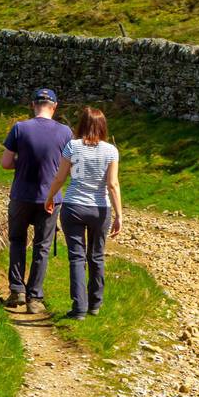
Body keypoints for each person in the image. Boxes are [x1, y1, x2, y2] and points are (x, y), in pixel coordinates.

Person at [45, 106, 122, 319]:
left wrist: (50, 197)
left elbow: (60, 178)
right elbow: (113, 184)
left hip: (73, 206)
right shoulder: (111, 151)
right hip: (100, 209)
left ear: (82, 125)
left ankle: (79, 307)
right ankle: (95, 304)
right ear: (103, 126)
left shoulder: (72, 146)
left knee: (77, 258)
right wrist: (119, 215)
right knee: (97, 256)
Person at [0, 88, 71, 314]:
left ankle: (16, 290)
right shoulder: (66, 132)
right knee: (42, 246)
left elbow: (5, 163)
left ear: (33, 105)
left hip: (21, 194)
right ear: (54, 106)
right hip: (50, 197)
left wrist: (21, 162)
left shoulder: (20, 128)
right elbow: (68, 167)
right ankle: (34, 298)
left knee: (17, 241)